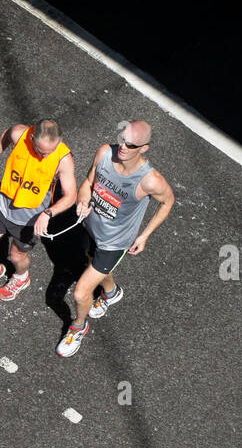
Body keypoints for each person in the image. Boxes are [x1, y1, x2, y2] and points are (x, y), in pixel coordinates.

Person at [56, 119, 175, 358]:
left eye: (131, 144)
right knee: (92, 261)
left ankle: (78, 326)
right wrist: (82, 199)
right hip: (91, 229)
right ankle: (111, 293)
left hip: (115, 243)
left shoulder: (150, 180)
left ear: (144, 148)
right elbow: (89, 182)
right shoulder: (104, 153)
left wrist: (145, 235)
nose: (123, 146)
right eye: (122, 139)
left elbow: (168, 202)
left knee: (80, 293)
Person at [0, 117, 76, 302]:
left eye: (51, 151)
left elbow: (71, 196)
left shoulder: (63, 160)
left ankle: (21, 278)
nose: (46, 157)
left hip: (29, 218)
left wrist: (47, 214)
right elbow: (6, 136)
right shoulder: (19, 134)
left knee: (17, 257)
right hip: (1, 207)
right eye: (41, 152)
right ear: (32, 137)